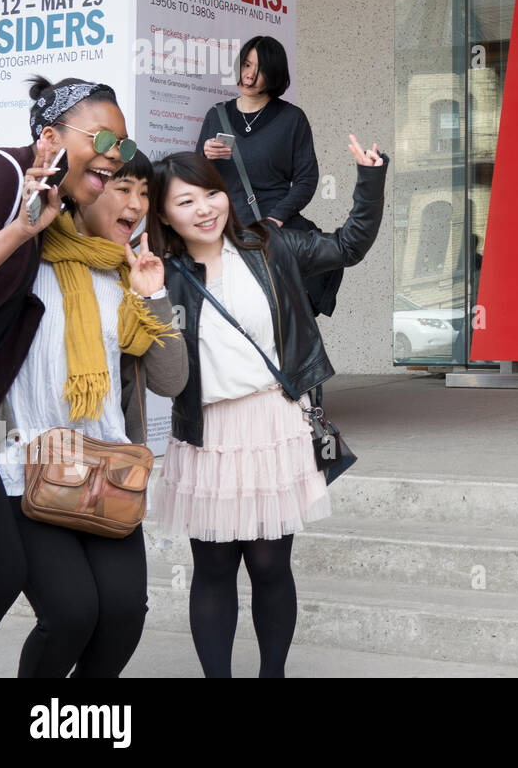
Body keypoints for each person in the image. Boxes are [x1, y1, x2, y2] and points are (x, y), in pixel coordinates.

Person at [148, 135, 386, 678]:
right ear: (164, 214)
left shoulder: (268, 246)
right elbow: (161, 371)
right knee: (212, 568)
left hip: (273, 420)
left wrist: (368, 181)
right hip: (207, 430)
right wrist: (150, 296)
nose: (203, 209)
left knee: (271, 564)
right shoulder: (162, 276)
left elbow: (347, 247)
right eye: (184, 202)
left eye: (209, 194)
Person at [0, 149, 183, 678]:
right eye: (122, 187)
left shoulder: (128, 279)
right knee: (71, 614)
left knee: (125, 614)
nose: (136, 204)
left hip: (106, 473)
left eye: (144, 193)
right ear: (85, 189)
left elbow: (172, 381)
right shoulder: (27, 262)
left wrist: (155, 296)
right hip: (24, 469)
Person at [0, 77, 131, 657]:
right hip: (10, 450)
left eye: (124, 145)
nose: (115, 155)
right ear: (51, 136)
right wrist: (20, 228)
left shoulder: (48, 216)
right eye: (102, 138)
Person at [197, 36, 341, 316]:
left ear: (274, 75)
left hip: (273, 238)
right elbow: (194, 181)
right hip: (228, 238)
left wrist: (276, 218)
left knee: (275, 323)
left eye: (260, 69)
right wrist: (203, 156)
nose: (249, 75)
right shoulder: (217, 116)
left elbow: (306, 179)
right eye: (246, 64)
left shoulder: (292, 119)